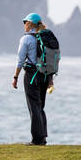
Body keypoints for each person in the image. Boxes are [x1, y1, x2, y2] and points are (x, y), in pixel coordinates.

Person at [11, 12, 52, 145]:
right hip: (45, 75)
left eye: (25, 22)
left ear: (30, 24)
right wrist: (50, 79)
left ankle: (37, 140)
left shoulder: (26, 39)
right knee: (40, 106)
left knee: (34, 106)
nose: (24, 25)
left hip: (32, 75)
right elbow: (51, 59)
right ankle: (43, 137)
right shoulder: (45, 37)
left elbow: (20, 59)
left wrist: (15, 76)